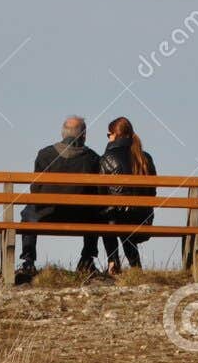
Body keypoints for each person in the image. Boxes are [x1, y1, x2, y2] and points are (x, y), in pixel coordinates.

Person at [18, 115, 102, 279]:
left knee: (28, 213)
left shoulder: (45, 154)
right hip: (81, 216)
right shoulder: (92, 158)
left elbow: (35, 189)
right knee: (96, 213)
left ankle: (28, 260)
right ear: (83, 135)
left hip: (47, 214)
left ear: (63, 134)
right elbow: (97, 193)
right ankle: (86, 259)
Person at [99, 116, 156, 275]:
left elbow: (100, 194)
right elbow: (152, 192)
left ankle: (112, 262)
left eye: (108, 134)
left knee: (107, 213)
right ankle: (135, 267)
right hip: (144, 217)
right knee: (123, 217)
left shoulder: (107, 158)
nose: (108, 138)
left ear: (115, 135)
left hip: (117, 218)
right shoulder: (145, 157)